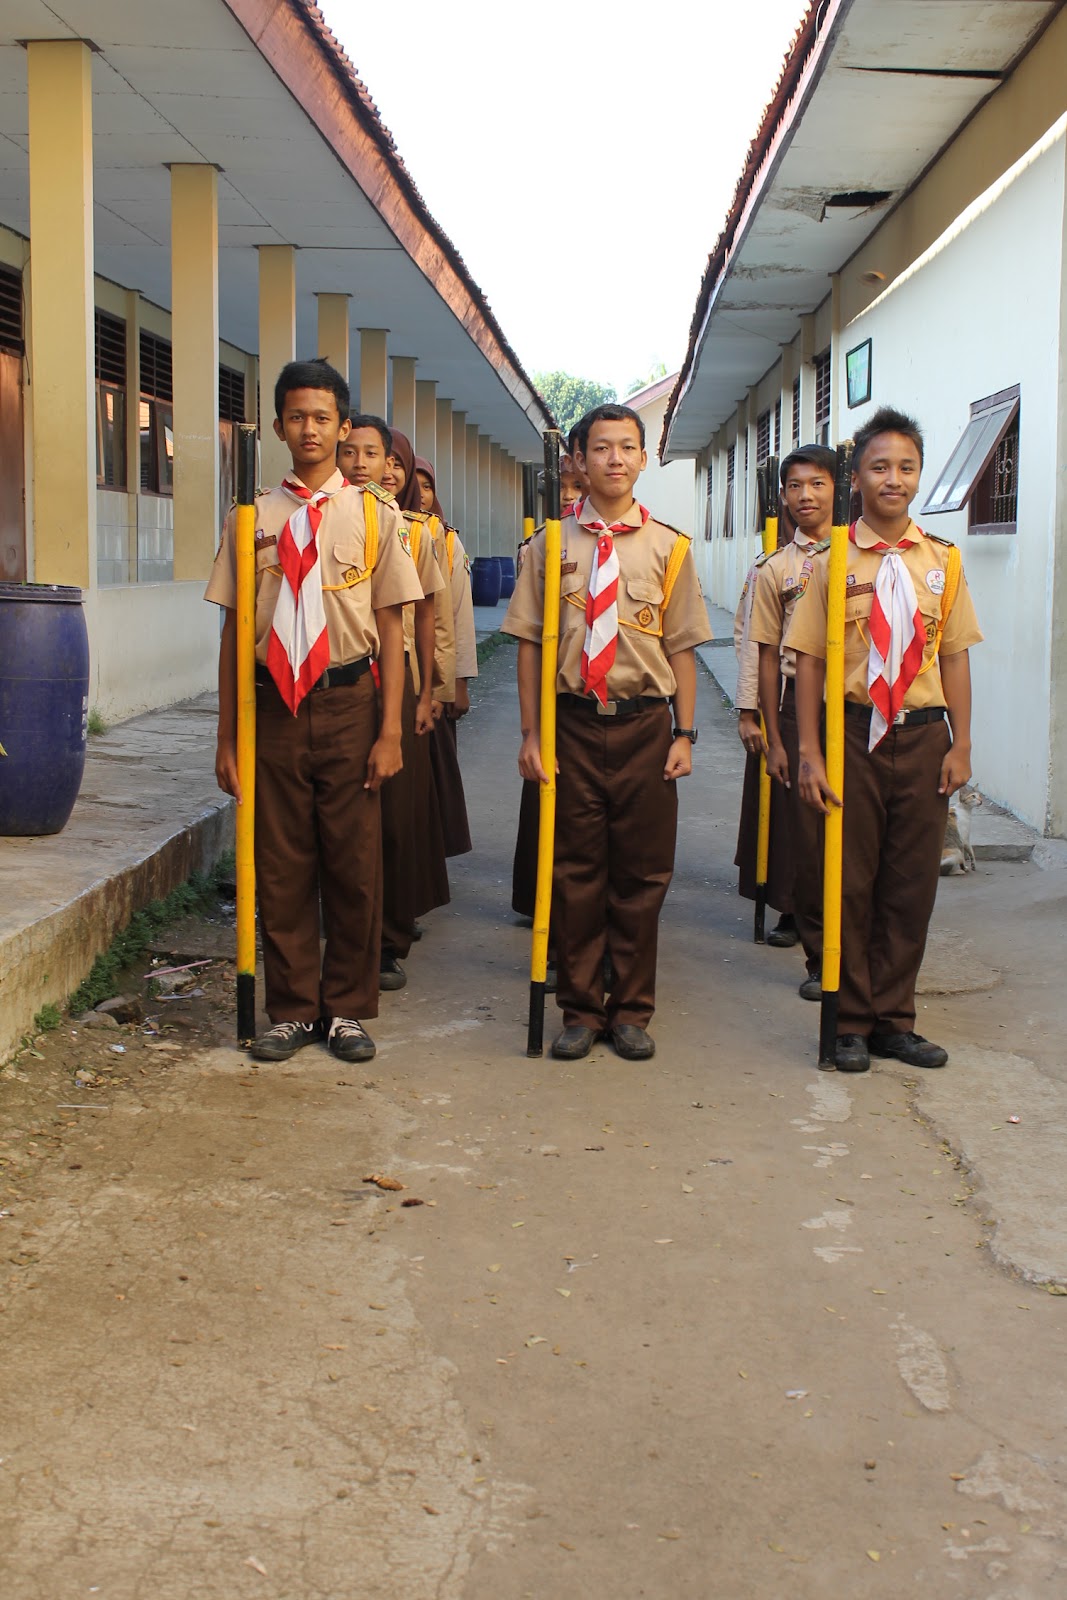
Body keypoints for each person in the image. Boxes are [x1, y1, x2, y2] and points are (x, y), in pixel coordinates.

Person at [206, 360, 422, 1063]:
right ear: (277, 426)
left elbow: (392, 626)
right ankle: (293, 1008)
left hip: (350, 701)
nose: (309, 429)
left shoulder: (372, 514)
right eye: (296, 416)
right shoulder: (252, 517)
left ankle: (348, 1010)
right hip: (273, 706)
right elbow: (236, 631)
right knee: (282, 861)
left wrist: (390, 729)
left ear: (343, 426)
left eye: (322, 417)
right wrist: (226, 737)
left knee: (354, 862)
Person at [503, 402, 712, 1061]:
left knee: (641, 874)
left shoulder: (669, 548)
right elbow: (530, 647)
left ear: (643, 459)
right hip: (569, 725)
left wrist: (685, 734)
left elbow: (682, 647)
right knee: (574, 871)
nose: (614, 459)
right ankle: (581, 1009)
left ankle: (630, 1009)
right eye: (600, 448)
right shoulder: (548, 547)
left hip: (646, 724)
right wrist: (531, 734)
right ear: (579, 461)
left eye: (626, 447)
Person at [788, 406, 982, 1073]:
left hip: (923, 736)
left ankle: (894, 1021)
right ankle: (850, 1021)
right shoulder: (833, 559)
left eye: (905, 467)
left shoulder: (941, 562)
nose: (892, 478)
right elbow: (809, 660)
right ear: (857, 478)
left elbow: (952, 655)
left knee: (908, 886)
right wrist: (810, 752)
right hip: (850, 733)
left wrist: (959, 743)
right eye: (878, 466)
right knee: (849, 881)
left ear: (918, 475)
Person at [744, 445, 837, 1000]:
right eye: (795, 486)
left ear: (837, 490)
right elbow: (760, 650)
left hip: (855, 707)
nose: (806, 496)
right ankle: (820, 953)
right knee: (807, 839)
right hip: (794, 708)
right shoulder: (774, 569)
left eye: (818, 484)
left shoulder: (868, 560)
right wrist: (768, 730)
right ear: (782, 498)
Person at [373, 427, 452, 986]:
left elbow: (430, 615)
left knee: (397, 815)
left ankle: (390, 934)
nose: (384, 472)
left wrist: (431, 691)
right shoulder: (325, 518)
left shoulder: (419, 532)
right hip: (344, 678)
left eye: (391, 461)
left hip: (397, 681)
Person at [415, 455, 476, 856]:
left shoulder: (446, 540)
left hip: (434, 677)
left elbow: (458, 614)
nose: (420, 494)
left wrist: (455, 682)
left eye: (427, 485)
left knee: (432, 773)